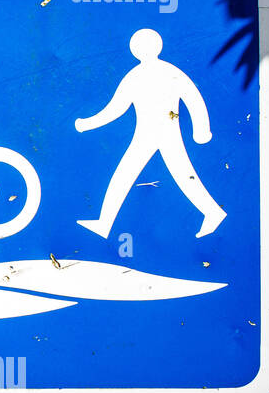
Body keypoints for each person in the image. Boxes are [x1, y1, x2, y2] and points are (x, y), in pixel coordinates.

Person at [75, 28, 226, 239]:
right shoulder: (152, 73)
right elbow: (116, 108)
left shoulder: (146, 74)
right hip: (148, 134)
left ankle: (213, 212)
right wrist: (88, 124)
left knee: (178, 175)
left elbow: (192, 98)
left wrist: (202, 130)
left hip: (163, 133)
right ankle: (104, 222)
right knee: (133, 174)